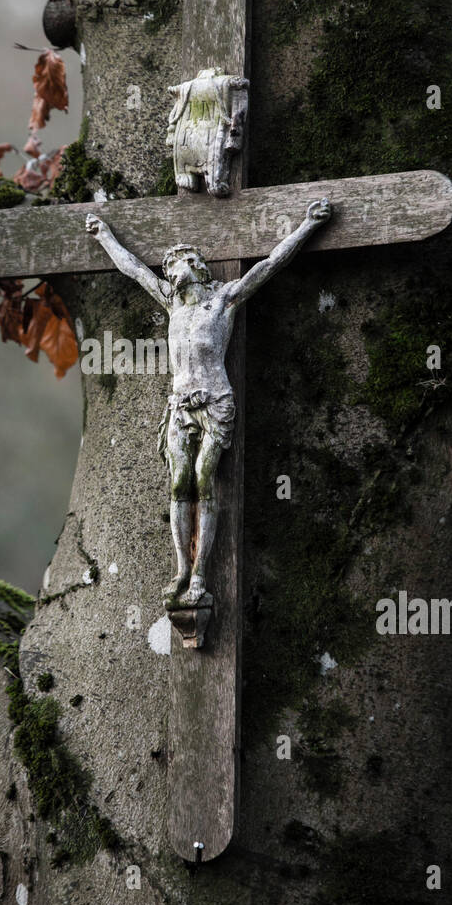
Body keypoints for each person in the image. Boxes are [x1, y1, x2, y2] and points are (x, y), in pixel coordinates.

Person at [85, 197, 332, 608]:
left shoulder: (222, 300)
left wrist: (307, 225)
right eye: (166, 269)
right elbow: (132, 269)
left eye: (174, 265)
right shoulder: (170, 303)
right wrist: (104, 236)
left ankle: (201, 574)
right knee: (178, 483)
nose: (168, 272)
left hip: (214, 401)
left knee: (204, 480)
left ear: (196, 267)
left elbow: (269, 265)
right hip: (179, 405)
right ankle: (182, 569)